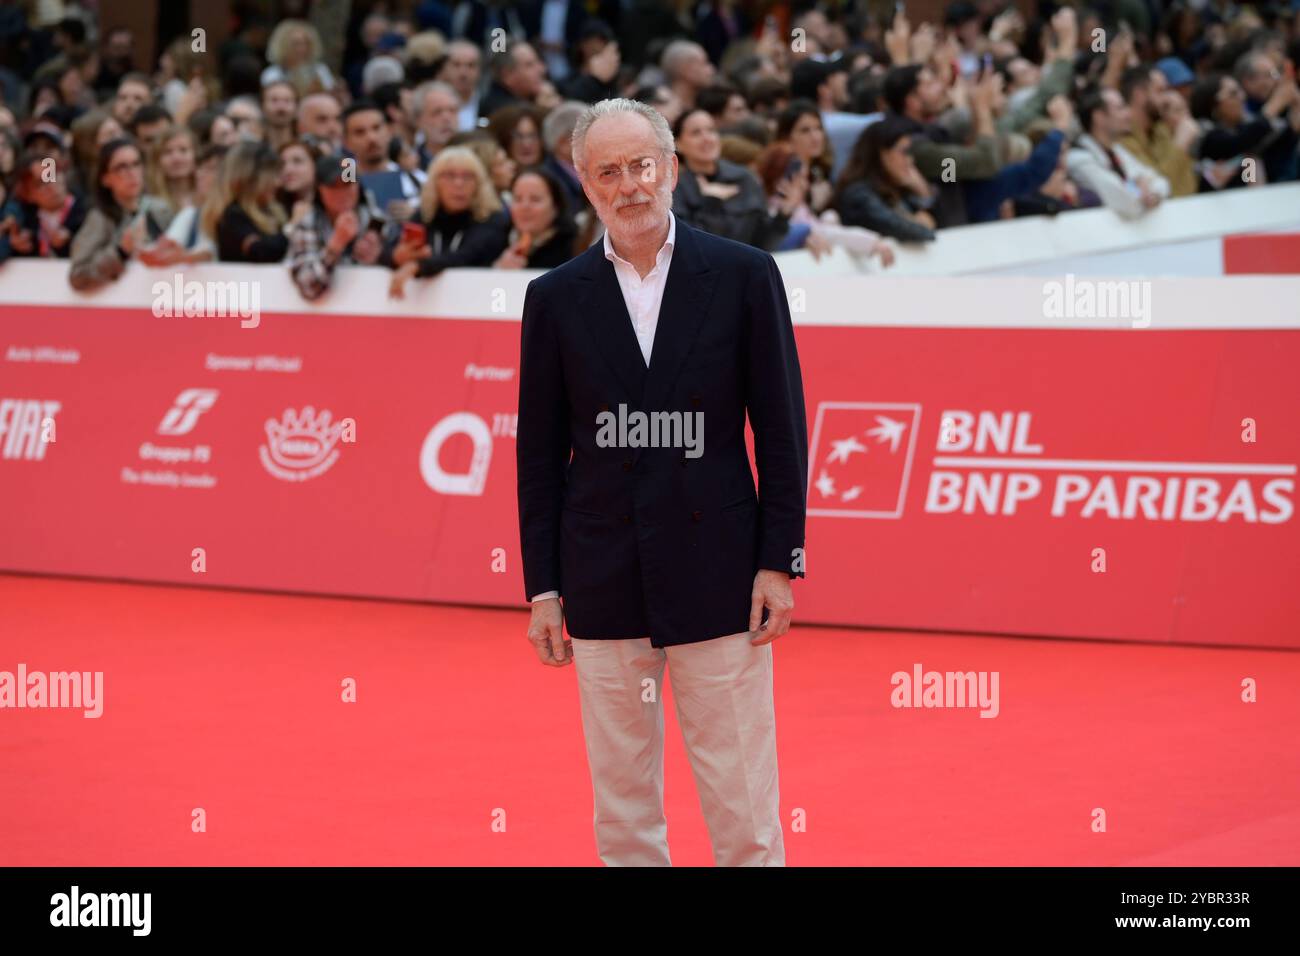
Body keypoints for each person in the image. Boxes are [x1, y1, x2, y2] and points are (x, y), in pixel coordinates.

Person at [516, 97, 807, 867]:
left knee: (743, 802)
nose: (629, 184)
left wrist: (779, 560)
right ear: (585, 184)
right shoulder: (553, 298)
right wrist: (543, 586)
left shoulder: (745, 275)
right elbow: (539, 457)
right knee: (623, 810)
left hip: (722, 574)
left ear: (672, 169)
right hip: (601, 574)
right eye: (608, 171)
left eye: (641, 165)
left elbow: (781, 431)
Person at [385, 146, 510, 297]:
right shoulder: (424, 216)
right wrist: (397, 256)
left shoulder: (493, 218)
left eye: (468, 176)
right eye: (449, 176)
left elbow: (466, 256)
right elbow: (386, 251)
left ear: (479, 185)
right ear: (434, 183)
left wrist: (419, 266)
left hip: (481, 301)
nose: (458, 183)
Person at [671, 107, 796, 250]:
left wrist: (783, 215)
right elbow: (690, 246)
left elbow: (764, 244)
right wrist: (712, 201)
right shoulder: (675, 188)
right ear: (678, 144)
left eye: (711, 130)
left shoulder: (744, 178)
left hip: (747, 268)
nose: (707, 138)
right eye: (696, 133)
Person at [68, 138, 173, 290]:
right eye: (121, 167)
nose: (132, 173)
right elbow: (78, 276)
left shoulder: (161, 209)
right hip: (121, 305)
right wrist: (120, 252)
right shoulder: (100, 218)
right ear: (105, 179)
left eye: (136, 164)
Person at [288, 153, 384, 299]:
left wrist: (382, 256)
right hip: (323, 315)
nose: (342, 193)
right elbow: (308, 286)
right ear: (320, 189)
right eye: (334, 186)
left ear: (357, 185)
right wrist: (335, 245)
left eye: (347, 184)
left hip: (372, 307)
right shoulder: (307, 224)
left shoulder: (377, 221)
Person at [832, 115, 938, 243]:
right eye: (903, 152)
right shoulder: (858, 194)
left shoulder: (896, 188)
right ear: (882, 155)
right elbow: (908, 230)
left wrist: (923, 192)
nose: (910, 160)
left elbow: (942, 225)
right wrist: (919, 223)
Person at [205, 140, 289, 262]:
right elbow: (261, 252)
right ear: (251, 178)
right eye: (272, 176)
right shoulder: (232, 216)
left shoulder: (276, 210)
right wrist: (292, 228)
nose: (278, 183)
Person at [493, 167, 577, 270]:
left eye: (535, 199)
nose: (525, 207)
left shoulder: (575, 247)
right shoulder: (493, 239)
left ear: (556, 206)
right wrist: (497, 270)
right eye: (518, 199)